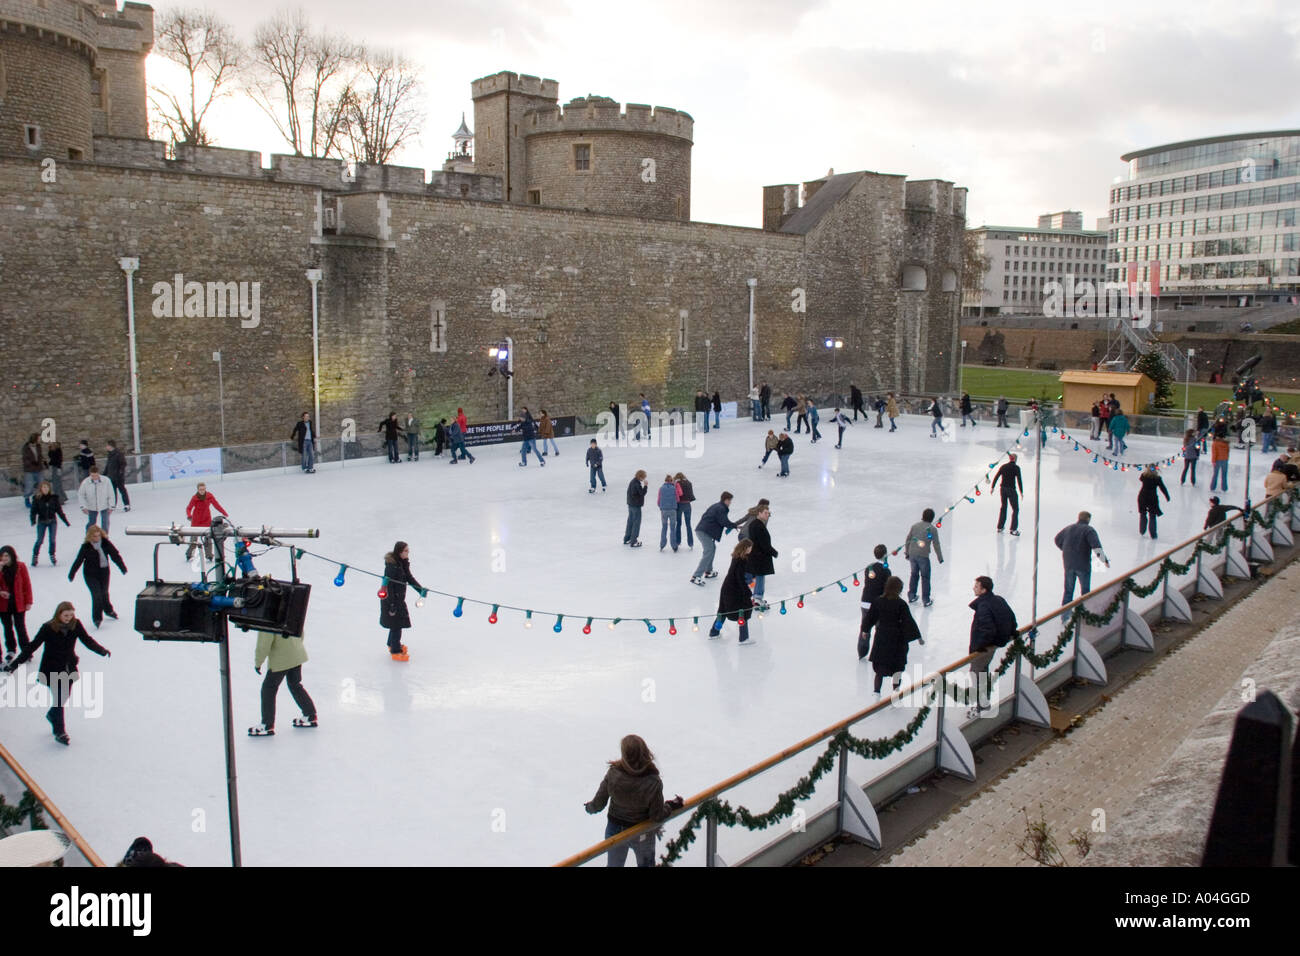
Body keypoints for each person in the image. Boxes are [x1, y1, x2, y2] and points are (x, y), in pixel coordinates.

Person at [3, 601, 109, 745]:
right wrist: (14, 665)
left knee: (64, 697)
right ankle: (60, 732)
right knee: (59, 700)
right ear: (58, 614)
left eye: (71, 615)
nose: (69, 618)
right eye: (66, 615)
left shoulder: (76, 625)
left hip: (68, 668)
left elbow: (87, 640)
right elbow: (32, 647)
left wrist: (101, 650)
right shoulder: (48, 628)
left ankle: (52, 715)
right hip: (51, 669)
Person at [583, 735, 684, 867]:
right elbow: (656, 815)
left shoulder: (613, 774)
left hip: (615, 831)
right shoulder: (653, 781)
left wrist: (589, 808)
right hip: (642, 831)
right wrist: (671, 806)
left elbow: (598, 804)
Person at [247, 627, 317, 736]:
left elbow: (263, 643)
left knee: (268, 689)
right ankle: (310, 714)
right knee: (295, 685)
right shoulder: (290, 609)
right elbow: (300, 630)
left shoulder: (268, 617)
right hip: (296, 653)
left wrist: (258, 662)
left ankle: (267, 725)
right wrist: (296, 646)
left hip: (281, 658)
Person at [860, 576, 922, 695]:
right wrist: (918, 637)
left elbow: (870, 618)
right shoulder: (901, 604)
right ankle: (896, 692)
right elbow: (908, 621)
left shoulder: (878, 601)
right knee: (896, 669)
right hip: (897, 640)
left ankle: (876, 692)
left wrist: (865, 630)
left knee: (880, 669)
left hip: (882, 638)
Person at [966, 576, 1017, 719]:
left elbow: (987, 629)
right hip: (993, 644)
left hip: (984, 648)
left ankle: (980, 706)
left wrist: (979, 647)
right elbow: (1011, 617)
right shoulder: (998, 600)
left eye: (976, 586)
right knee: (982, 672)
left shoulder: (984, 606)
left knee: (976, 673)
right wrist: (1012, 632)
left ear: (983, 589)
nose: (973, 588)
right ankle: (984, 702)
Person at [67, 526, 127, 628]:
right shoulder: (86, 547)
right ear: (90, 536)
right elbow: (79, 560)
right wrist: (72, 573)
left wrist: (122, 567)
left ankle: (108, 610)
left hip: (104, 572)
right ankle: (97, 618)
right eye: (95, 536)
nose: (97, 538)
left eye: (99, 535)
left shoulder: (105, 543)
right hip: (90, 574)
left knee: (104, 592)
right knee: (96, 594)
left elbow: (115, 555)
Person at [1054, 511, 1109, 605]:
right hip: (1083, 565)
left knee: (1068, 591)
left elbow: (1057, 539)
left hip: (1069, 564)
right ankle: (1085, 612)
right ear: (1088, 519)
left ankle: (1065, 614)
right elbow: (1096, 546)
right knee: (1085, 592)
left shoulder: (1069, 528)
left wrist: (1065, 550)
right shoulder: (1089, 530)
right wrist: (1104, 560)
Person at [381, 541, 423, 661]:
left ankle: (391, 644)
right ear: (399, 551)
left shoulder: (403, 563)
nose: (408, 553)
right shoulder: (392, 567)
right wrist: (392, 604)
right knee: (397, 625)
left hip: (398, 599)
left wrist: (420, 589)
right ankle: (395, 650)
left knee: (395, 624)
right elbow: (389, 587)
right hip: (391, 600)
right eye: (406, 551)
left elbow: (409, 578)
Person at [710, 539, 756, 642]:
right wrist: (747, 592)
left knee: (723, 610)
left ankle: (714, 632)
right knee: (743, 611)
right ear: (746, 548)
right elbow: (739, 577)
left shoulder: (736, 557)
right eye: (750, 548)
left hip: (727, 587)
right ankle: (744, 638)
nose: (751, 550)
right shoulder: (742, 560)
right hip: (734, 590)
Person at [691, 492, 737, 585]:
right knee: (709, 551)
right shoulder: (721, 508)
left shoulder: (717, 506)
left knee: (712, 548)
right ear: (726, 500)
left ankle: (708, 571)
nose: (730, 503)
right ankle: (696, 576)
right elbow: (723, 521)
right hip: (704, 531)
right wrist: (733, 525)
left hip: (704, 530)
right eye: (730, 501)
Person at [0, 546, 34, 664]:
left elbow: (27, 584)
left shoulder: (20, 566)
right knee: (7, 627)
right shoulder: (0, 568)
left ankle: (26, 650)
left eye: (6, 556)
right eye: (2, 556)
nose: (4, 558)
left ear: (12, 556)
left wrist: (29, 601)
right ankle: (10, 649)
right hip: (3, 604)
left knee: (20, 627)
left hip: (18, 602)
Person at [904, 508, 943, 606]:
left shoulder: (915, 526)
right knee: (925, 577)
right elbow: (936, 544)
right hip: (923, 555)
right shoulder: (932, 529)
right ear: (932, 518)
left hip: (912, 554)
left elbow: (908, 539)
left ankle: (912, 595)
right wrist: (940, 557)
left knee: (914, 575)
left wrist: (907, 552)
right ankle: (926, 599)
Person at [857, 544, 890, 659]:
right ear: (885, 554)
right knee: (879, 628)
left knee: (865, 626)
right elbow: (887, 587)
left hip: (865, 601)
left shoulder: (869, 568)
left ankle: (862, 650)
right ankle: (878, 652)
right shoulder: (886, 570)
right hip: (877, 604)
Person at [184, 481, 229, 562]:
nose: (202, 491)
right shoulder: (194, 498)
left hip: (206, 519)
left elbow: (216, 505)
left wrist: (224, 512)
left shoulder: (209, 496)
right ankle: (189, 554)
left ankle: (209, 555)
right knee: (194, 540)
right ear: (198, 490)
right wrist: (189, 515)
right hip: (196, 521)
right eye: (200, 489)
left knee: (208, 538)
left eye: (203, 489)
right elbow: (188, 508)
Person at [744, 504, 777, 612]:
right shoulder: (757, 525)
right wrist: (773, 552)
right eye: (765, 513)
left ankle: (757, 598)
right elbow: (763, 543)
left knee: (760, 576)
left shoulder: (757, 524)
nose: (767, 515)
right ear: (759, 513)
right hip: (759, 556)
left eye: (768, 513)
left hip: (758, 555)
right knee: (760, 577)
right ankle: (757, 598)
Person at [29, 480, 69, 567]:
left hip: (52, 521)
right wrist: (33, 520)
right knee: (40, 540)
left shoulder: (54, 498)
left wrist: (65, 521)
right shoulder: (37, 498)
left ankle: (52, 554)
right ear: (41, 489)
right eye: (44, 487)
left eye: (47, 487)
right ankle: (35, 556)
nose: (45, 489)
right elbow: (33, 511)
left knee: (52, 540)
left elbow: (59, 510)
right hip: (42, 521)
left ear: (49, 488)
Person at [991, 453, 1024, 535]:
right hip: (1011, 489)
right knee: (1015, 509)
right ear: (1015, 459)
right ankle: (1013, 529)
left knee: (1003, 507)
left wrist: (993, 487)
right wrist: (1021, 492)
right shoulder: (1016, 468)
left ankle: (1000, 527)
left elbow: (996, 476)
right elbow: (1019, 480)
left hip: (1003, 489)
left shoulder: (1003, 466)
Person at [1137, 465, 1171, 540]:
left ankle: (1142, 530)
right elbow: (1163, 488)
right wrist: (1167, 496)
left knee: (1143, 514)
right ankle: (1153, 534)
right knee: (1152, 516)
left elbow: (1141, 478)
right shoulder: (1157, 478)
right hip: (1152, 497)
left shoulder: (1143, 476)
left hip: (1143, 496)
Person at [77, 465, 114, 533]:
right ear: (90, 474)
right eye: (92, 476)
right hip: (91, 506)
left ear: (98, 473)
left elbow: (111, 494)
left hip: (104, 505)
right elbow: (81, 494)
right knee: (92, 523)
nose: (94, 477)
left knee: (105, 523)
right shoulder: (86, 482)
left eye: (96, 475)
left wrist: (111, 506)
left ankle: (104, 538)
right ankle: (88, 536)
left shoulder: (106, 480)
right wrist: (83, 507)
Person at [102, 440, 131, 512]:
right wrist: (104, 474)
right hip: (111, 476)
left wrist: (120, 472)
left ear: (111, 446)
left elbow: (123, 464)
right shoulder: (109, 454)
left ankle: (126, 504)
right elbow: (108, 466)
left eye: (107, 445)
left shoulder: (119, 454)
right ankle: (113, 505)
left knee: (122, 490)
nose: (106, 447)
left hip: (118, 477)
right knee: (113, 491)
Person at [657, 475, 680, 552]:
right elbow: (678, 499)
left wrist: (661, 506)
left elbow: (659, 500)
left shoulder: (661, 488)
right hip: (672, 510)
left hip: (663, 510)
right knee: (672, 528)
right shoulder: (674, 488)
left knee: (664, 527)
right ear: (671, 481)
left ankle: (662, 545)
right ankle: (674, 546)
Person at [21, 434, 45, 509]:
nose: (40, 440)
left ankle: (39, 499)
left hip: (39, 468)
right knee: (29, 485)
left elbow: (40, 455)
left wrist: (43, 461)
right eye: (39, 438)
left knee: (41, 484)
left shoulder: (38, 446)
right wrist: (32, 463)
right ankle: (27, 499)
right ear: (35, 439)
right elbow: (25, 458)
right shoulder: (26, 447)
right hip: (29, 470)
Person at [624, 470, 647, 547]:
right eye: (643, 477)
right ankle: (633, 541)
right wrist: (646, 486)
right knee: (636, 523)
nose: (643, 479)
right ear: (640, 476)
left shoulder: (632, 481)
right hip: (636, 506)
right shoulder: (637, 484)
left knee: (630, 522)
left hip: (630, 505)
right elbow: (642, 493)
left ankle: (627, 538)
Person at [673, 472, 695, 550]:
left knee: (678, 523)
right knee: (688, 524)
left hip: (679, 505)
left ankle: (677, 542)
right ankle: (691, 543)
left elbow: (675, 494)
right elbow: (691, 495)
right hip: (688, 505)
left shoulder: (676, 483)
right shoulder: (689, 483)